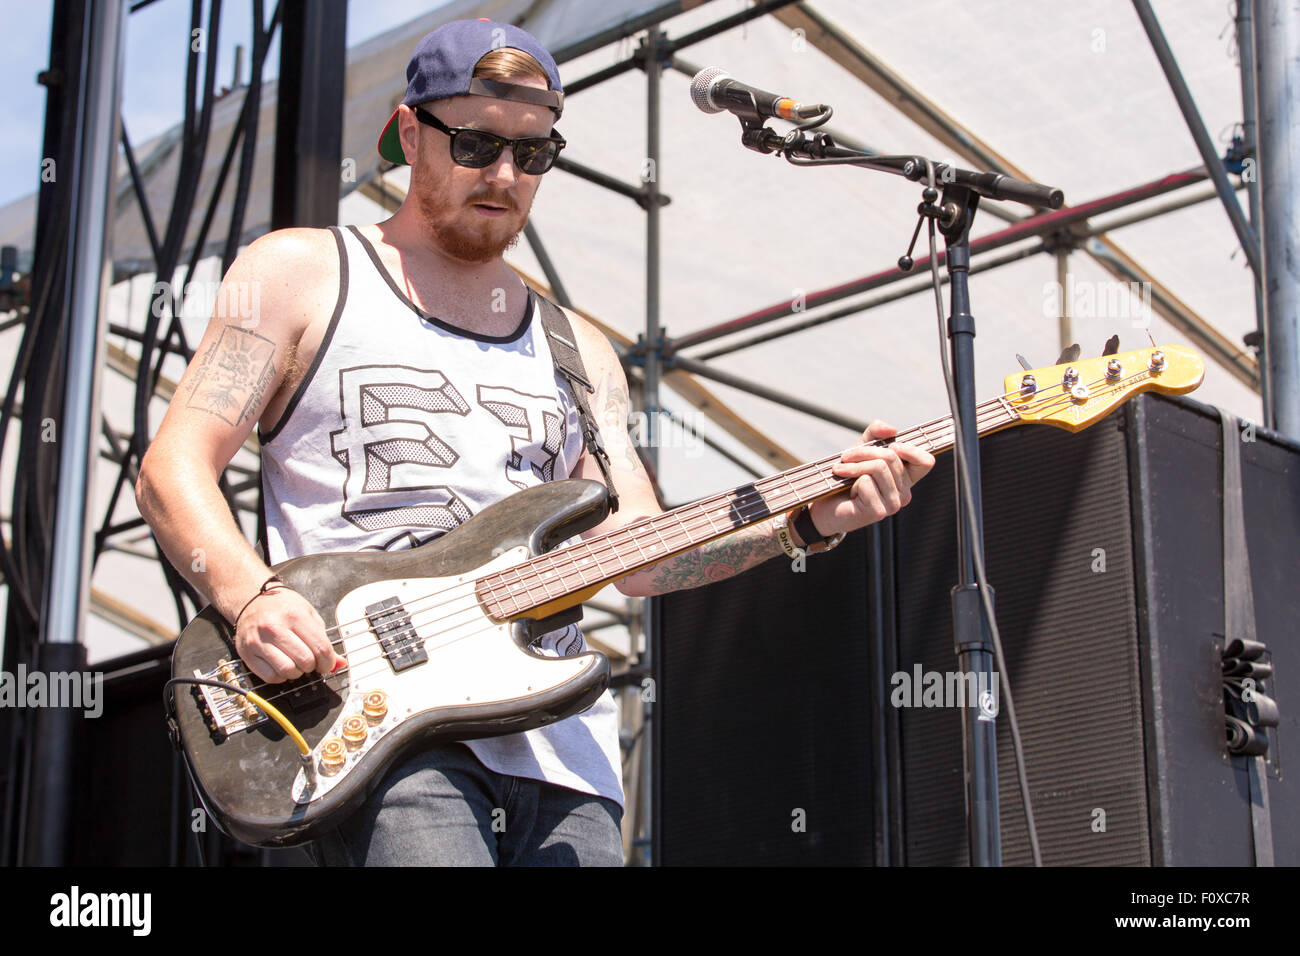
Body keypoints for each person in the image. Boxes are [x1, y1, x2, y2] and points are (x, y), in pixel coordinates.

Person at [135, 19, 935, 866]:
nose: (506, 175)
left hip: (565, 757)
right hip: (375, 729)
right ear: (411, 133)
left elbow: (639, 556)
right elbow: (172, 467)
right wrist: (251, 595)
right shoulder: (299, 272)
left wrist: (808, 522)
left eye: (534, 152)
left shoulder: (579, 349)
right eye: (476, 144)